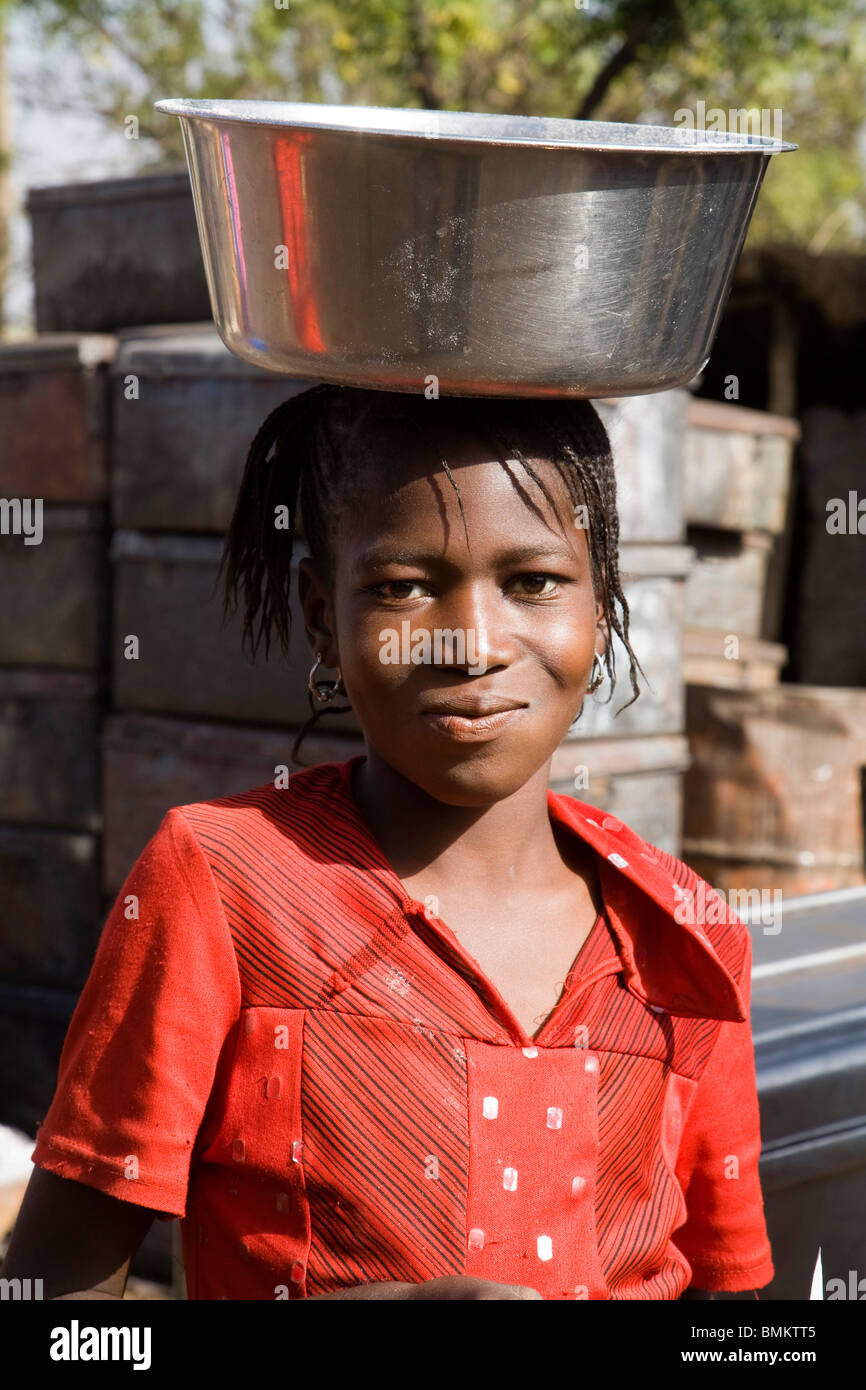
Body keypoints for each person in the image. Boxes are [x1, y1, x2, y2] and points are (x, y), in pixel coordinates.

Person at [4, 386, 774, 1300]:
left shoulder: (681, 933)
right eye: (404, 588)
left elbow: (742, 1327)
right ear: (324, 616)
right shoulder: (223, 883)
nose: (473, 643)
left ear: (601, 607)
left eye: (533, 583)